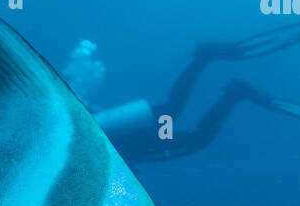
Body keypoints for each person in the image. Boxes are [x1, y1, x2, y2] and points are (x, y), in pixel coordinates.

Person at [89, 24, 300, 164]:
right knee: (172, 111)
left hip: (128, 144)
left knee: (193, 137)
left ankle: (224, 83)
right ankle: (211, 69)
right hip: (122, 136)